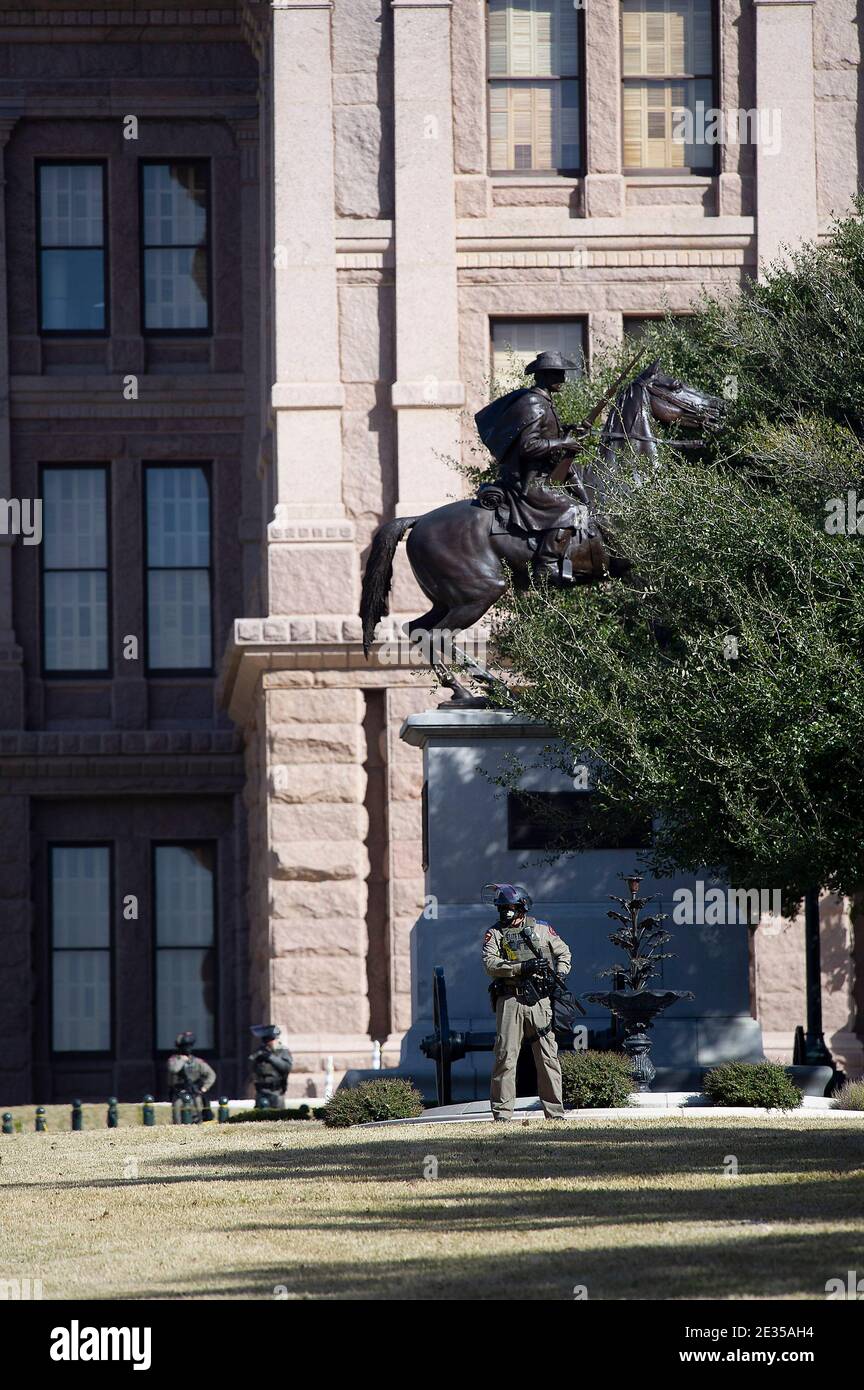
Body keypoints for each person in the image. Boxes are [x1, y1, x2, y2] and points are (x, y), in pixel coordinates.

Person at [473, 351, 596, 585]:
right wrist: (563, 442)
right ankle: (547, 564)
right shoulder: (533, 403)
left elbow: (544, 435)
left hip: (543, 473)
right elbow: (528, 446)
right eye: (559, 374)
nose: (563, 378)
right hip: (528, 481)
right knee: (571, 510)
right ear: (545, 376)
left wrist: (567, 432)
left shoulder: (545, 401)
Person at [481, 883, 572, 1122]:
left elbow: (564, 954)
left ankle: (555, 1113)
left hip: (539, 1002)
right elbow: (490, 964)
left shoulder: (542, 930)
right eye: (501, 908)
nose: (504, 913)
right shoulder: (495, 934)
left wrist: (559, 976)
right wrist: (522, 967)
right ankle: (502, 1115)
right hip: (510, 1000)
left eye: (508, 907)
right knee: (505, 1057)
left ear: (522, 907)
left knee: (547, 1057)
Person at [166, 1031, 216, 1124]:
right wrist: (182, 1060)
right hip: (179, 1094)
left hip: (194, 1093)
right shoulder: (174, 1060)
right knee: (178, 1120)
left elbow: (211, 1074)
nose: (187, 1049)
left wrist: (204, 1088)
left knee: (198, 1117)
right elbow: (174, 1069)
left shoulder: (197, 1061)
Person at [249, 1024, 294, 1109]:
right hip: (261, 1092)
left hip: (276, 1092)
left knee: (278, 1117)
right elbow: (251, 1067)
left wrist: (270, 1057)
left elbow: (286, 1067)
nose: (273, 1041)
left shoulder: (282, 1051)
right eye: (269, 1040)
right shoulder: (260, 1052)